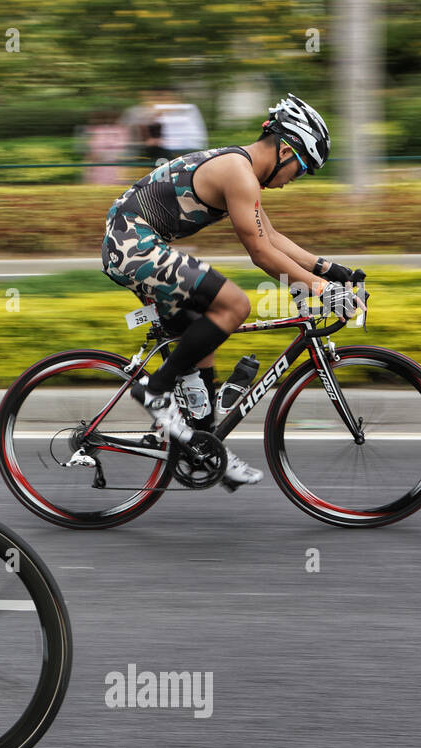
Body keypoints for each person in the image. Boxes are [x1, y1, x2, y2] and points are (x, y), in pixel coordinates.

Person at [102, 94, 364, 489]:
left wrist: (329, 270)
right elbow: (260, 253)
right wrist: (324, 291)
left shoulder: (242, 170)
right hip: (131, 244)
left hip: (139, 243)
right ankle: (154, 390)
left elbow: (272, 236)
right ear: (286, 149)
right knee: (234, 304)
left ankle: (204, 446)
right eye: (302, 168)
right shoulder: (238, 172)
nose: (295, 179)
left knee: (205, 333)